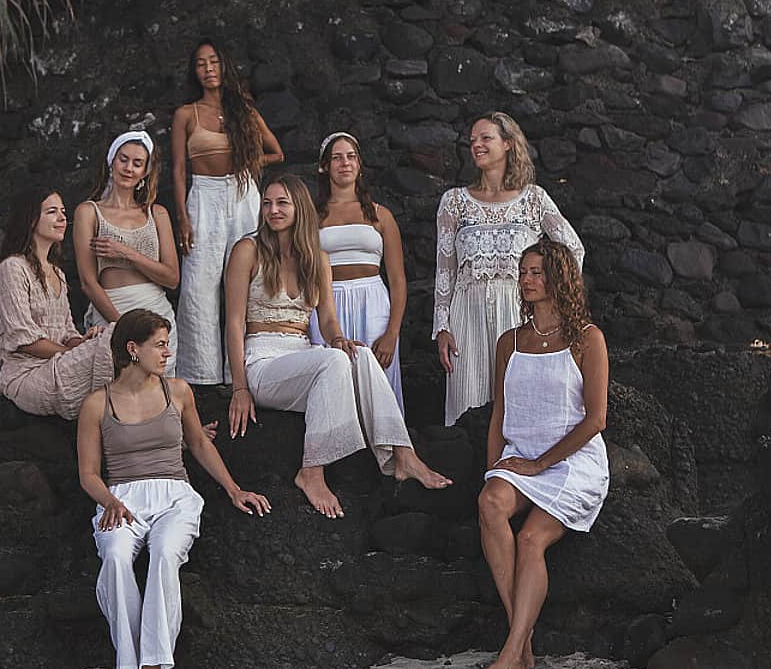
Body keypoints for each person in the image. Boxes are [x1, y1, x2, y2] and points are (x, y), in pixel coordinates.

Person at [224, 174, 451, 519]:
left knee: (359, 354)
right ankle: (311, 471)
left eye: (282, 203)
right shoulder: (248, 250)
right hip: (262, 359)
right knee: (333, 361)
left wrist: (338, 340)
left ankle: (402, 454)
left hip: (300, 352)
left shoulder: (317, 259)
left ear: (300, 208)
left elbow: (328, 318)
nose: (273, 210)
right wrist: (239, 388)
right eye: (267, 203)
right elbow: (234, 322)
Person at [78, 309, 270, 669]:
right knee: (115, 557)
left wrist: (233, 489)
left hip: (174, 496)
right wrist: (109, 501)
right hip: (121, 499)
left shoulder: (178, 391)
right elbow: (89, 474)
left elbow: (198, 444)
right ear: (133, 349)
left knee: (164, 554)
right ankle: (127, 665)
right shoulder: (97, 403)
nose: (167, 353)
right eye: (160, 345)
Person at [469, 238, 609, 669]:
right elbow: (499, 413)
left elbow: (596, 419)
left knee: (530, 539)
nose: (527, 280)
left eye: (537, 273)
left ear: (559, 278)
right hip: (521, 456)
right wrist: (495, 469)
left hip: (573, 462)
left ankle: (511, 656)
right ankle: (522, 640)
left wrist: (541, 463)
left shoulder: (587, 338)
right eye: (524, 272)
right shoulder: (509, 342)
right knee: (490, 503)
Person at [433, 112, 585, 426]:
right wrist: (442, 327)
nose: (476, 145)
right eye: (472, 140)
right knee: (466, 408)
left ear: (507, 144)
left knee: (517, 407)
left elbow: (573, 250)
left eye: (485, 138)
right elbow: (445, 270)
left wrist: (549, 302)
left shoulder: (534, 200)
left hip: (519, 313)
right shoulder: (454, 202)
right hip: (467, 316)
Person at [171, 38, 284, 385]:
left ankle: (244, 369)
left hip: (242, 193)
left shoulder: (243, 111)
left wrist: (249, 162)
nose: (208, 69)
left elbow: (277, 152)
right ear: (194, 71)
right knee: (198, 284)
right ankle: (201, 374)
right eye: (201, 63)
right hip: (203, 195)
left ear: (224, 66)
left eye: (214, 61)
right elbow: (178, 170)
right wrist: (183, 218)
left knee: (247, 278)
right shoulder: (186, 114)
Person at [0, 187, 114, 419]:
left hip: (61, 363)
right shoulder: (13, 268)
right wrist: (76, 353)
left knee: (125, 338)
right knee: (119, 338)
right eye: (52, 212)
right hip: (28, 375)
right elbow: (24, 340)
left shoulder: (58, 273)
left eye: (63, 212)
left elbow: (68, 332)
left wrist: (83, 342)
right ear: (31, 220)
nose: (62, 218)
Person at [310, 132, 407, 412]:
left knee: (377, 380)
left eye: (351, 156)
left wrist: (392, 332)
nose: (345, 163)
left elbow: (398, 280)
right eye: (337, 158)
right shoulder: (312, 215)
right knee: (334, 379)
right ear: (324, 166)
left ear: (360, 165)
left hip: (372, 302)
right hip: (327, 302)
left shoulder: (380, 215)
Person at [74, 130, 181, 376]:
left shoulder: (157, 214)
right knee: (118, 384)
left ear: (145, 172)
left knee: (158, 388)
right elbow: (88, 283)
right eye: (123, 159)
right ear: (111, 161)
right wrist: (123, 327)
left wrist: (125, 252)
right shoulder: (88, 212)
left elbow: (172, 278)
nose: (128, 168)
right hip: (112, 311)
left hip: (156, 312)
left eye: (137, 163)